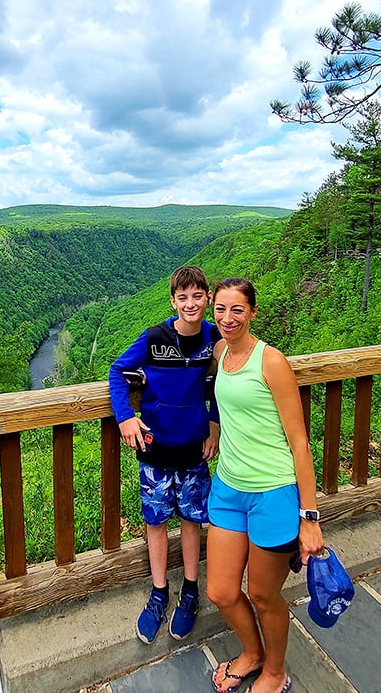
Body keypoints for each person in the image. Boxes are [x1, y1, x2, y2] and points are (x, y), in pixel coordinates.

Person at [208, 277, 325, 693]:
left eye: (237, 309)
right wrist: (212, 429)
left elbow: (299, 442)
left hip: (273, 491)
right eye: (220, 309)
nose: (227, 318)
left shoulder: (271, 361)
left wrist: (309, 518)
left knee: (263, 595)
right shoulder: (219, 352)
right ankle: (252, 652)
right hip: (227, 487)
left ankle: (275, 671)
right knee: (221, 591)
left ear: (253, 312)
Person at [108, 265, 220, 644]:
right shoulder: (155, 338)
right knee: (155, 523)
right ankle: (159, 592)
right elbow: (117, 370)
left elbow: (223, 381)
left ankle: (190, 590)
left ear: (207, 298)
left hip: (193, 450)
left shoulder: (214, 338)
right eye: (183, 297)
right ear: (173, 301)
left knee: (192, 520)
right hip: (154, 450)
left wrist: (215, 425)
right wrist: (125, 417)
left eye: (198, 296)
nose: (191, 303)